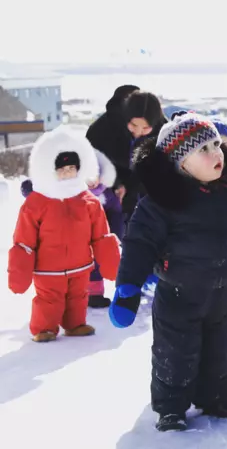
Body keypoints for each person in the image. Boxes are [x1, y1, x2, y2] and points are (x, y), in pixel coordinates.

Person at [108, 114, 227, 432]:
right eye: (204, 149)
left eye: (217, 144)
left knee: (222, 349)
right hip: (178, 294)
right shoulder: (160, 204)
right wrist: (128, 289)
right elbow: (138, 246)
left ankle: (217, 397)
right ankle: (171, 407)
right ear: (181, 164)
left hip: (223, 293)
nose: (216, 153)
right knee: (175, 354)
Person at [8, 127, 121, 342]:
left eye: (72, 168)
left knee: (78, 297)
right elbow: (24, 241)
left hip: (81, 264)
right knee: (49, 300)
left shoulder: (88, 200)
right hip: (47, 268)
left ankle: (75, 323)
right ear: (50, 169)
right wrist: (19, 273)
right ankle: (45, 328)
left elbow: (101, 235)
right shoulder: (37, 203)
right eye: (62, 169)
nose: (67, 173)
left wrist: (110, 263)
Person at [86, 85, 165, 226]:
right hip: (109, 197)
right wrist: (116, 184)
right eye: (134, 125)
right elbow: (91, 161)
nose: (139, 131)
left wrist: (131, 188)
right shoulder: (103, 128)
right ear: (126, 117)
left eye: (146, 128)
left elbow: (160, 171)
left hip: (146, 198)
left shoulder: (163, 134)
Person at [87, 149, 124, 308]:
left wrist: (115, 234)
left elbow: (115, 210)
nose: (93, 181)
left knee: (96, 264)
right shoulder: (73, 193)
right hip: (76, 238)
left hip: (99, 236)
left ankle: (95, 294)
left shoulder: (107, 194)